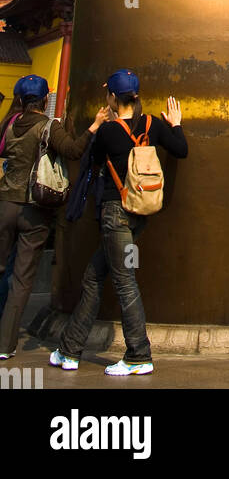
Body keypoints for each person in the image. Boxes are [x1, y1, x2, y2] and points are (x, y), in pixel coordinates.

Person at [50, 69, 187, 376]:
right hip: (141, 215)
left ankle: (139, 354)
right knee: (93, 278)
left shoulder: (109, 132)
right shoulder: (153, 124)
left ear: (112, 97)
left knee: (125, 283)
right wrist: (175, 126)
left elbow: (92, 159)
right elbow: (182, 150)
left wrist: (97, 125)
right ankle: (69, 350)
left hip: (117, 215)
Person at [0, 76, 108, 360]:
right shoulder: (49, 126)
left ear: (21, 100)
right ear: (44, 102)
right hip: (35, 210)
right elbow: (73, 150)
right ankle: (5, 344)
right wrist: (94, 125)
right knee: (22, 281)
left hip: (5, 205)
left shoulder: (9, 124)